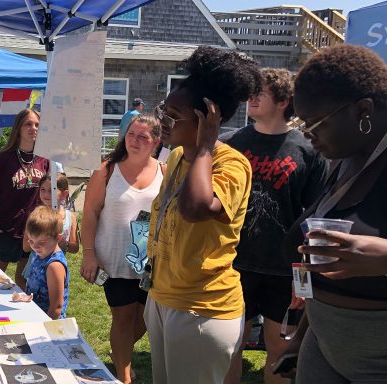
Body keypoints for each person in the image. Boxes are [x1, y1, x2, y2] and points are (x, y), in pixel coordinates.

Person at [144, 45, 258, 383]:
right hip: (163, 296)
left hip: (202, 309)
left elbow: (193, 209)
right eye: (163, 109)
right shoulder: (178, 155)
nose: (162, 121)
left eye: (173, 115)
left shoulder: (231, 164)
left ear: (208, 118)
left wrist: (206, 146)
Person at [276, 44, 387, 382]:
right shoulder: (343, 161)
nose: (309, 138)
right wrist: (301, 336)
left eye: (316, 125)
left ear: (363, 110)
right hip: (322, 344)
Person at [221, 68, 328, 384]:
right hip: (233, 264)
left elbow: (316, 217)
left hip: (285, 270)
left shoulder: (308, 151)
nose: (250, 97)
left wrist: (305, 275)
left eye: (260, 92)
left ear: (283, 100)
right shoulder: (229, 144)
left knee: (280, 350)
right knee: (229, 346)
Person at [80, 113, 164, 384]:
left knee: (145, 320)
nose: (135, 141)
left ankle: (121, 353)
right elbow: (90, 213)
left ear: (155, 142)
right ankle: (123, 375)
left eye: (143, 137)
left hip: (151, 262)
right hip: (114, 258)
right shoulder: (107, 170)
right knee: (124, 317)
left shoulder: (165, 171)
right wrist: (89, 254)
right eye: (131, 134)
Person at [0, 109, 49, 275]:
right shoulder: (4, 158)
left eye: (37, 125)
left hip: (33, 230)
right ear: (18, 128)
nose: (33, 128)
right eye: (28, 124)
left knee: (25, 283)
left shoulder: (44, 159)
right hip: (5, 228)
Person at [22, 173, 79, 288]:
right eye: (42, 189)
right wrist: (40, 242)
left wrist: (65, 244)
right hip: (36, 270)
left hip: (56, 269)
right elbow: (25, 246)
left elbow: (76, 248)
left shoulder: (70, 217)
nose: (46, 194)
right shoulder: (36, 216)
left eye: (51, 190)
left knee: (55, 301)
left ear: (64, 194)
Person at [24, 206, 70, 320]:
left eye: (42, 242)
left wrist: (43, 329)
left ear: (58, 238)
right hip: (35, 316)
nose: (35, 246)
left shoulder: (54, 265)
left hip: (49, 324)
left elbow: (56, 307)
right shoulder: (40, 253)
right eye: (31, 241)